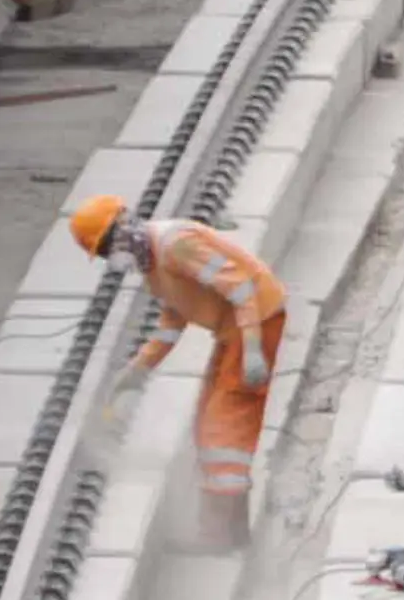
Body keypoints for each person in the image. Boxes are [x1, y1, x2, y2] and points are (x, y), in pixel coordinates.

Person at [71, 194, 288, 551]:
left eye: (112, 239)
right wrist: (136, 371)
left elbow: (241, 287)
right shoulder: (153, 265)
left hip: (255, 321)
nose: (114, 250)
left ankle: (219, 538)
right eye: (106, 248)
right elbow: (173, 319)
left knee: (224, 427)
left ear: (127, 220)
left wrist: (252, 349)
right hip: (233, 329)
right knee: (208, 422)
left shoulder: (176, 246)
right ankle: (231, 534)